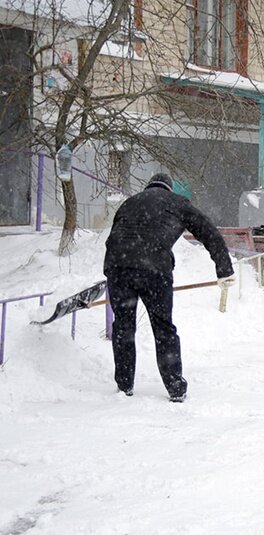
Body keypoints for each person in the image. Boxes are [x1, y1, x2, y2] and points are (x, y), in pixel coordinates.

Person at [103, 172, 235, 402]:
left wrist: (116, 266)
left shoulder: (130, 202)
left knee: (123, 325)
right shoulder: (177, 203)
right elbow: (209, 232)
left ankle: (124, 384)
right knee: (163, 327)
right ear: (169, 188)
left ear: (148, 186)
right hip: (154, 269)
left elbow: (115, 235)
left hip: (118, 266)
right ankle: (175, 387)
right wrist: (224, 268)